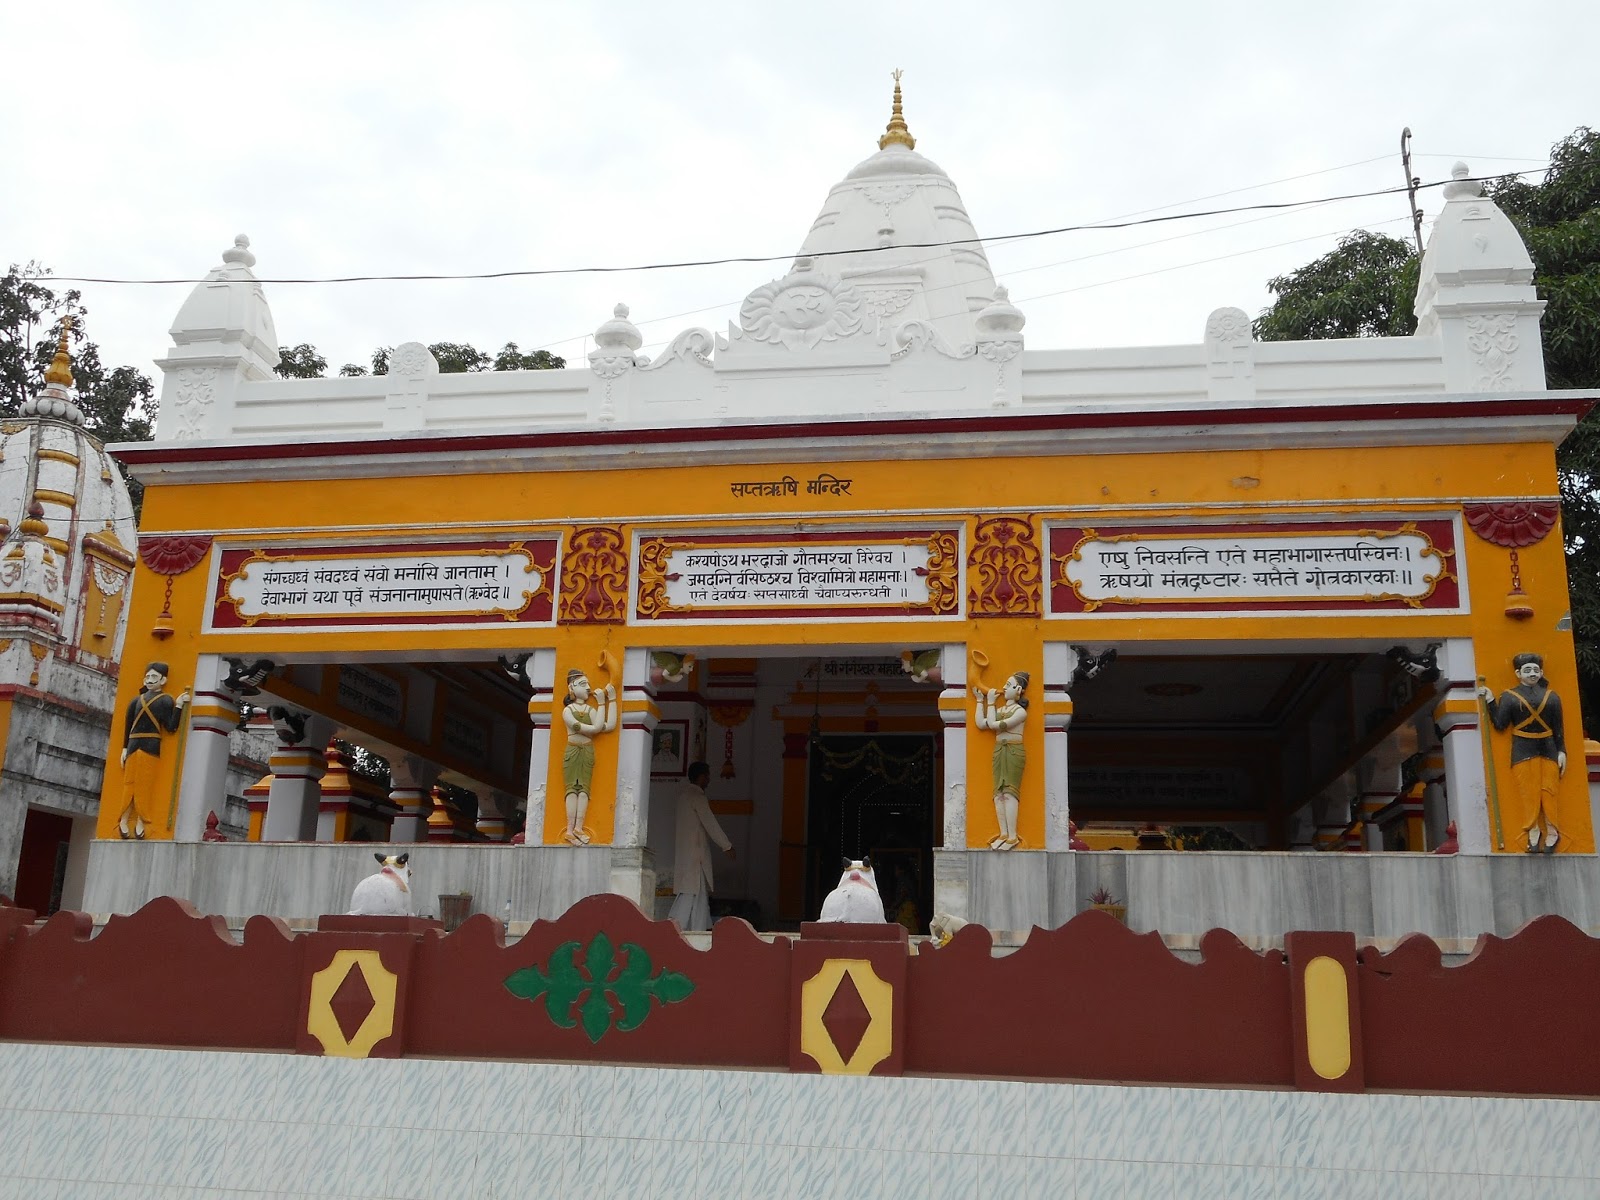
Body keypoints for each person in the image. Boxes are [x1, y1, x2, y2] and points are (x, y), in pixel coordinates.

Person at [1481, 653, 1568, 853]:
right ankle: (1533, 830)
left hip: (1548, 746)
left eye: (1536, 670)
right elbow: (1501, 725)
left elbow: (1558, 727)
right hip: (1522, 747)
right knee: (1528, 792)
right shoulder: (1510, 697)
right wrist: (1491, 701)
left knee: (1549, 791)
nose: (1532, 674)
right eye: (1527, 670)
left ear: (1541, 672)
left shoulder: (1552, 697)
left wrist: (1562, 750)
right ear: (1518, 673)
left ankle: (1553, 831)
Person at [116, 662, 190, 840]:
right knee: (129, 784)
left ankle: (142, 821)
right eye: (147, 677)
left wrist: (179, 706)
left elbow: (171, 727)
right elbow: (128, 726)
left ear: (163, 680)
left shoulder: (166, 701)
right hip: (134, 744)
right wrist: (124, 748)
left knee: (145, 784)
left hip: (151, 744)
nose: (150, 680)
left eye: (154, 677)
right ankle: (123, 819)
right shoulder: (135, 701)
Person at [668, 761, 734, 931]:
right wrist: (726, 846)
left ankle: (698, 932)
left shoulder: (683, 796)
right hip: (695, 857)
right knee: (690, 894)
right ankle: (673, 929)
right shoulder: (697, 797)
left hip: (687, 855)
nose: (709, 779)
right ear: (702, 776)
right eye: (707, 775)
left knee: (698, 898)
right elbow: (710, 824)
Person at [973, 670, 1029, 849]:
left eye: (1008, 685)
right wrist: (980, 701)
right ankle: (1003, 833)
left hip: (1013, 751)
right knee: (998, 794)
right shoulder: (1002, 709)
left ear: (1018, 689)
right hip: (999, 750)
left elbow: (994, 725)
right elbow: (981, 724)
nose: (1004, 688)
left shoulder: (1020, 712)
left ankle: (1012, 836)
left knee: (1010, 793)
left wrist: (990, 703)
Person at [561, 668, 616, 845]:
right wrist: (601, 705)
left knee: (584, 791)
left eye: (588, 684)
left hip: (587, 751)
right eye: (583, 684)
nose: (588, 688)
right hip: (573, 750)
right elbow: (594, 729)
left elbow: (609, 725)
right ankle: (569, 829)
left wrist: (611, 701)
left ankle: (579, 827)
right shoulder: (568, 711)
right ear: (571, 687)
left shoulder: (590, 709)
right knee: (572, 790)